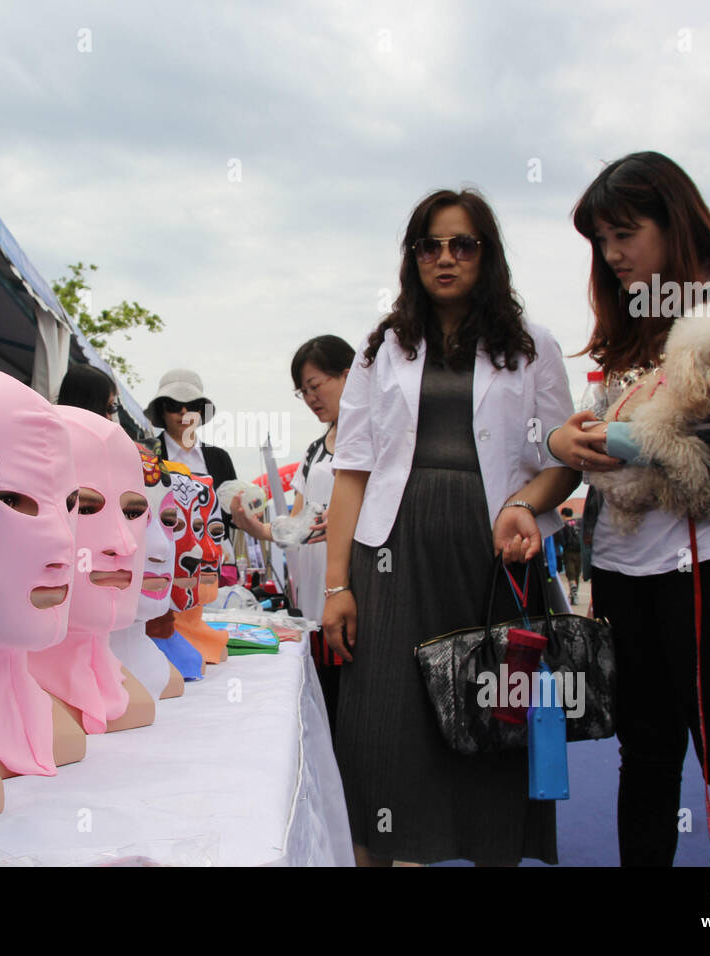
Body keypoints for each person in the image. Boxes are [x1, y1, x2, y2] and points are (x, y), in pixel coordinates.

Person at [549, 150, 710, 867]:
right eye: (601, 239)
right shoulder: (628, 322)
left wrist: (603, 438)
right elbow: (594, 423)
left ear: (673, 219)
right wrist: (571, 436)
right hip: (625, 562)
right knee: (647, 755)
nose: (612, 253)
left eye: (624, 232)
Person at [322, 188, 578, 866]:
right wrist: (335, 587)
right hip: (390, 555)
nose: (444, 258)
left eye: (461, 244)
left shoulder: (533, 346)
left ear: (486, 255)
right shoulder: (380, 349)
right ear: (412, 258)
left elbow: (564, 461)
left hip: (494, 553)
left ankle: (490, 851)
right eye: (429, 245)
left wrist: (524, 505)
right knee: (381, 729)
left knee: (491, 718)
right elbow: (351, 470)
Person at [230, 334, 354, 731]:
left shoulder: (373, 441)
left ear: (349, 376)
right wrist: (255, 528)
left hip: (356, 591)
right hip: (316, 599)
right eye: (302, 392)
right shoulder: (316, 451)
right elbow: (297, 526)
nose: (310, 399)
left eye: (316, 386)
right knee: (329, 707)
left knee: (357, 702)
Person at [144, 368, 237, 534]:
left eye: (192, 405)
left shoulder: (220, 458)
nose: (184, 412)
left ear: (200, 410)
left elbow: (232, 514)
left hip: (217, 554)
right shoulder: (145, 455)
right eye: (174, 405)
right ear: (162, 409)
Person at [558, 506, 583, 603]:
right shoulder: (579, 523)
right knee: (577, 573)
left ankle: (573, 590)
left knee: (570, 573)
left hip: (568, 551)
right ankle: (575, 594)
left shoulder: (563, 525)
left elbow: (560, 538)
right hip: (579, 551)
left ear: (563, 515)